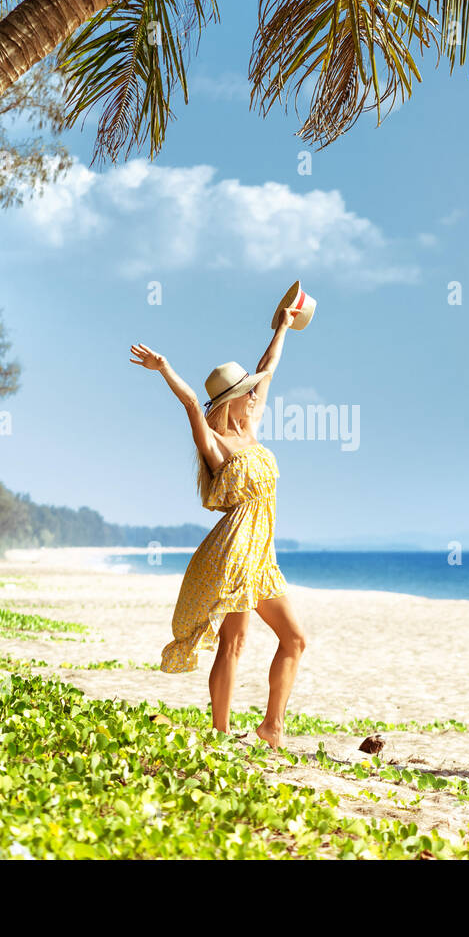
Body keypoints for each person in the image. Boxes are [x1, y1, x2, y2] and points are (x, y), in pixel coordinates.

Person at [128, 308, 306, 748]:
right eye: (246, 392)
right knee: (234, 644)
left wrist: (283, 324)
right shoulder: (217, 445)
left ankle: (271, 727)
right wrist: (165, 368)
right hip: (233, 553)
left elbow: (267, 369)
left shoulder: (252, 428)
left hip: (261, 554)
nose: (254, 395)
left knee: (295, 639)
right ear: (232, 400)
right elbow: (192, 403)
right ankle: (222, 733)